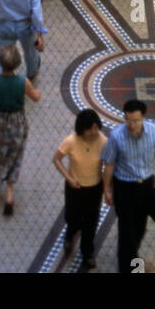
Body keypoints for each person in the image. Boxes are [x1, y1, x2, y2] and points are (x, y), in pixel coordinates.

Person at [101, 97, 155, 273]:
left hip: (146, 185)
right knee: (126, 230)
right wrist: (107, 190)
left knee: (140, 226)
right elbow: (109, 165)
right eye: (128, 120)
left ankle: (132, 258)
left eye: (136, 120)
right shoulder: (117, 136)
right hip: (124, 187)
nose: (131, 124)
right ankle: (130, 268)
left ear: (143, 118)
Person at [0, 43, 40, 215]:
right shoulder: (22, 82)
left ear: (0, 62)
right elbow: (36, 98)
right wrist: (37, 91)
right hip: (16, 122)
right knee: (14, 155)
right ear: (18, 64)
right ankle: (9, 193)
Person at [53, 108, 107, 271]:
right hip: (75, 188)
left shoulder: (104, 141)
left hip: (95, 188)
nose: (94, 132)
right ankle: (70, 234)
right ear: (81, 129)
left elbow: (108, 165)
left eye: (96, 127)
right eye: (90, 129)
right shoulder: (70, 141)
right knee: (73, 218)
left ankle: (87, 252)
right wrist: (69, 178)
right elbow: (56, 159)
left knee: (91, 222)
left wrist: (107, 186)